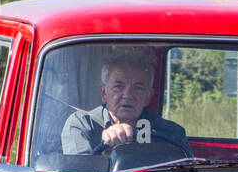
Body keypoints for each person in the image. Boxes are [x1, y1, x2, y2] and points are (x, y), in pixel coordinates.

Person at [60, 47, 189, 156]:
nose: (127, 95)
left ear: (148, 96)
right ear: (104, 92)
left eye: (138, 88)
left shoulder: (171, 133)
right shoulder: (82, 125)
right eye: (118, 86)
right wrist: (107, 149)